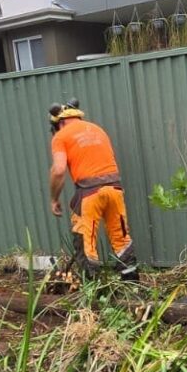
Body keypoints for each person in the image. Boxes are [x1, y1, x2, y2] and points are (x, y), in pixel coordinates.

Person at [48, 99, 138, 280]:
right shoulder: (98, 130)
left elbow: (58, 171)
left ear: (59, 122)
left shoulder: (61, 136)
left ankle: (94, 292)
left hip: (89, 194)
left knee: (85, 242)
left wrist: (54, 199)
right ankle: (132, 286)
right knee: (121, 238)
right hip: (114, 189)